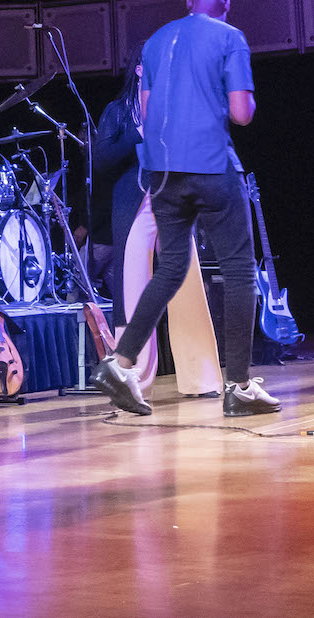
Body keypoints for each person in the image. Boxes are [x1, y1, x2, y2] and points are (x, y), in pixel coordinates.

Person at [93, 0, 277, 418]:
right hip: (211, 165)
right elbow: (241, 113)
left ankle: (119, 363)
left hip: (163, 175)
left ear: (189, 1)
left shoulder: (155, 42)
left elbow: (149, 110)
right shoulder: (231, 37)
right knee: (239, 272)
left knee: (170, 269)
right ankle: (238, 385)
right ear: (226, 4)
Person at [91, 46, 222, 397]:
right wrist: (137, 132)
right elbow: (101, 161)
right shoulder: (117, 112)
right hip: (135, 204)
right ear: (138, 70)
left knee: (188, 286)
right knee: (133, 288)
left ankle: (202, 378)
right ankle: (132, 378)